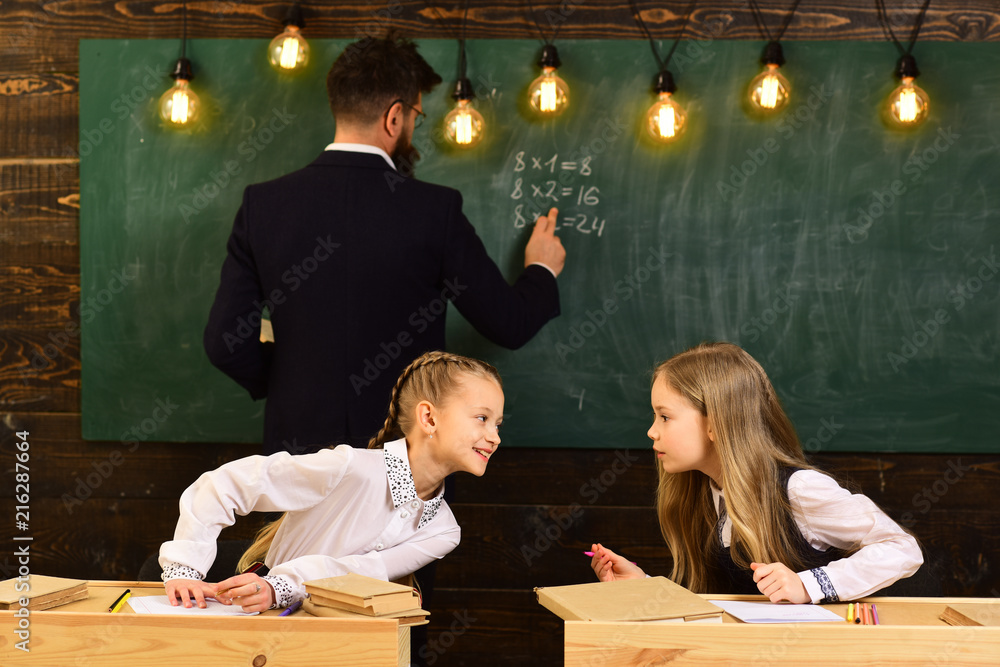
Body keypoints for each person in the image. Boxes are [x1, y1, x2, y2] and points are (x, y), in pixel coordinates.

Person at [203, 34, 565, 456]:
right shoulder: (435, 211)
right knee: (397, 526)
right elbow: (508, 323)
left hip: (296, 456)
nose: (413, 128)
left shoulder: (263, 206)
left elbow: (225, 342)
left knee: (304, 527)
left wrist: (290, 381)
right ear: (395, 117)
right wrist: (540, 270)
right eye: (416, 116)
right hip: (400, 456)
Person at [159, 351, 504, 611]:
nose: (494, 437)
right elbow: (229, 484)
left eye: (497, 424)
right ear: (428, 417)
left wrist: (283, 587)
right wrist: (184, 568)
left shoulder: (443, 530)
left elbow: (363, 570)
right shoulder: (351, 467)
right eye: (481, 418)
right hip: (261, 621)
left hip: (338, 636)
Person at [590, 342, 922, 604]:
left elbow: (902, 549)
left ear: (715, 423)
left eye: (664, 416)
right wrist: (641, 587)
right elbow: (718, 606)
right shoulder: (706, 494)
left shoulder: (800, 490)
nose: (651, 431)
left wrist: (806, 585)